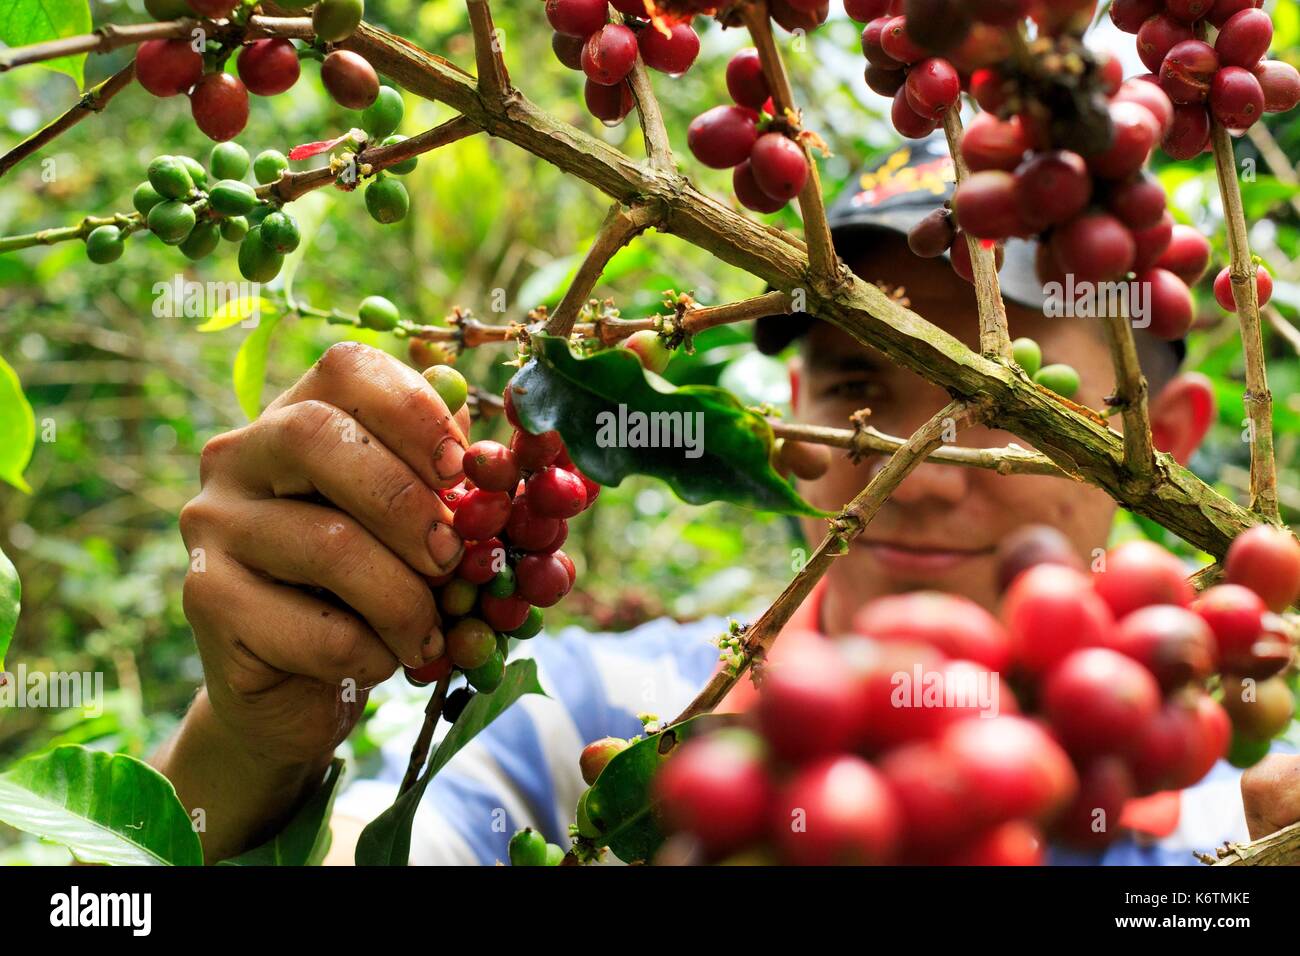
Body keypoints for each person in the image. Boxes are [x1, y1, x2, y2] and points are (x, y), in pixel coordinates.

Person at [154, 136, 1299, 866]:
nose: (921, 468)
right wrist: (248, 759)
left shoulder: (1236, 822)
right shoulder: (576, 730)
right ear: (791, 420)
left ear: (1157, 434)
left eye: (1004, 404)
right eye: (856, 393)